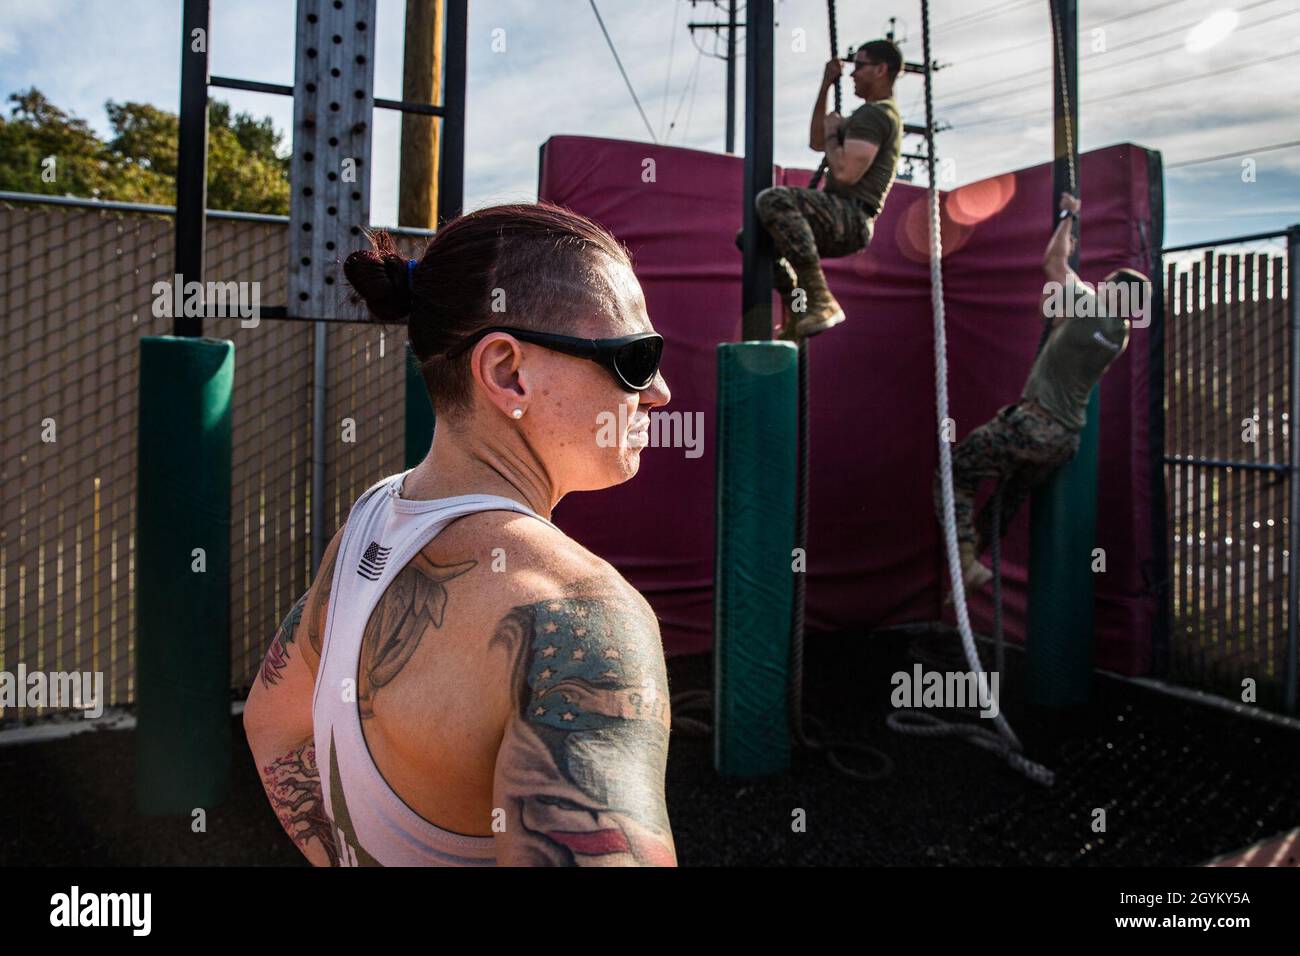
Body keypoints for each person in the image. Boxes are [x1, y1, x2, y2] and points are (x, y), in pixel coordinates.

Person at [243, 202, 678, 867]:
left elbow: (270, 724)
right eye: (637, 357)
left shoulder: (371, 518)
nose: (660, 393)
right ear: (508, 373)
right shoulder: (584, 620)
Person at [937, 192, 1150, 594]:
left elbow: (1054, 264)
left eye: (1105, 285)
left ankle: (965, 558)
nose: (1098, 286)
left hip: (1036, 424)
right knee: (1003, 501)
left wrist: (1069, 216)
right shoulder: (1118, 334)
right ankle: (971, 569)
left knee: (955, 471)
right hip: (1063, 440)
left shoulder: (1091, 311)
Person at [737, 39, 905, 340]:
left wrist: (832, 133)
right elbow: (817, 141)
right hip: (838, 216)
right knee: (751, 236)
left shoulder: (877, 115)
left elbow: (845, 172)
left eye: (860, 66)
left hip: (851, 217)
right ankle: (799, 307)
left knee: (773, 200)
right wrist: (826, 85)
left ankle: (821, 300)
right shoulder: (865, 115)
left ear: (881, 70)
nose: (852, 74)